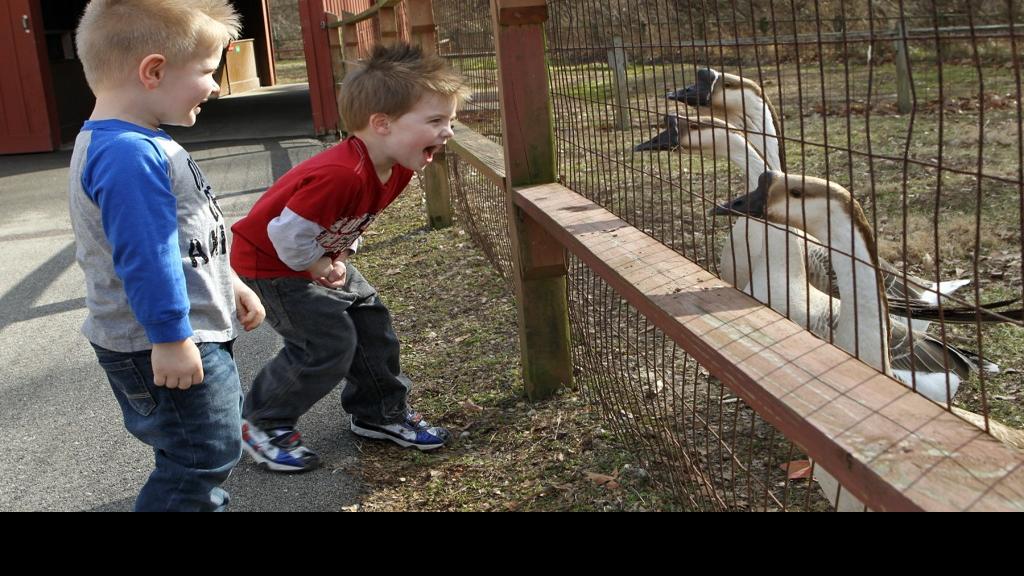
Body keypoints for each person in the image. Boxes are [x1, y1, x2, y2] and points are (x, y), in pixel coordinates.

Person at [230, 43, 469, 472]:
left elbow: (352, 220)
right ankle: (263, 420)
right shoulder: (339, 173)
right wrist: (319, 264)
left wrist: (340, 252)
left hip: (311, 254)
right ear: (382, 124)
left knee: (370, 321)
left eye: (449, 120)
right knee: (326, 343)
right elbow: (285, 233)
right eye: (435, 121)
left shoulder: (398, 167)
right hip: (271, 264)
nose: (448, 131)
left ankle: (379, 412)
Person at [69, 0, 265, 511]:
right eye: (207, 71)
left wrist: (231, 281)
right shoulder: (129, 154)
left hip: (179, 331)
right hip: (165, 339)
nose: (217, 85)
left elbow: (185, 235)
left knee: (204, 450)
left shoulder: (140, 142)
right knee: (200, 455)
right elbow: (146, 256)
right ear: (153, 71)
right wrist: (172, 337)